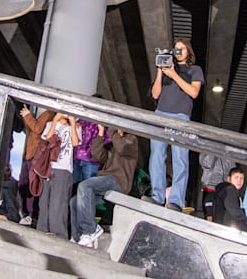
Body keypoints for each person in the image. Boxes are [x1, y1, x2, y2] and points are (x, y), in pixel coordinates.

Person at [148, 38, 202, 212]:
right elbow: (155, 95)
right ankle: (157, 196)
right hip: (161, 114)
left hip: (181, 117)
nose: (177, 52)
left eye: (181, 49)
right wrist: (160, 71)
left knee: (180, 160)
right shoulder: (167, 70)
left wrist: (174, 75)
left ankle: (176, 201)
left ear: (188, 52)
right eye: (175, 49)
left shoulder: (195, 70)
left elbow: (194, 92)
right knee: (156, 156)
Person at [71, 124, 139, 248]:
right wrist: (101, 133)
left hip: (119, 180)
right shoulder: (113, 144)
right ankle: (78, 236)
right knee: (74, 201)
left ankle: (90, 230)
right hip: (106, 180)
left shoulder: (131, 141)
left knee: (85, 186)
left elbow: (122, 148)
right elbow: (98, 156)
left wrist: (113, 131)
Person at [35, 113, 79, 239]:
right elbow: (47, 138)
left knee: (59, 201)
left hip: (64, 167)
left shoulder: (76, 127)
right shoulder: (50, 124)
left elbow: (75, 143)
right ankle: (42, 229)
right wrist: (55, 120)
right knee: (44, 200)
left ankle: (59, 233)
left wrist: (72, 123)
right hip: (48, 166)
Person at [212, 167, 247, 238]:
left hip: (224, 227)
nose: (239, 181)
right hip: (230, 227)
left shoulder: (226, 191)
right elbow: (234, 211)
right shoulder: (230, 189)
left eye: (241, 178)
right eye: (236, 177)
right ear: (229, 179)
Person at [200, 152, 234, 221]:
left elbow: (233, 170)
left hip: (224, 191)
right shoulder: (205, 151)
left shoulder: (227, 153)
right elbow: (207, 163)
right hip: (210, 190)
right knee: (211, 219)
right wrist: (216, 148)